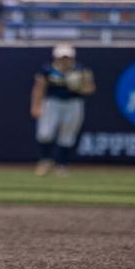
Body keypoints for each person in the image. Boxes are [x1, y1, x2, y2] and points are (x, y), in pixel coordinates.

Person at [31, 43, 96, 177]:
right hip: (52, 102)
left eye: (67, 57)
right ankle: (45, 162)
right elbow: (39, 88)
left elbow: (90, 88)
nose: (65, 60)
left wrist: (77, 87)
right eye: (62, 57)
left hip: (73, 103)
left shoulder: (81, 69)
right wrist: (36, 106)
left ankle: (62, 165)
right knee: (45, 133)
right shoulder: (47, 69)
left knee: (67, 136)